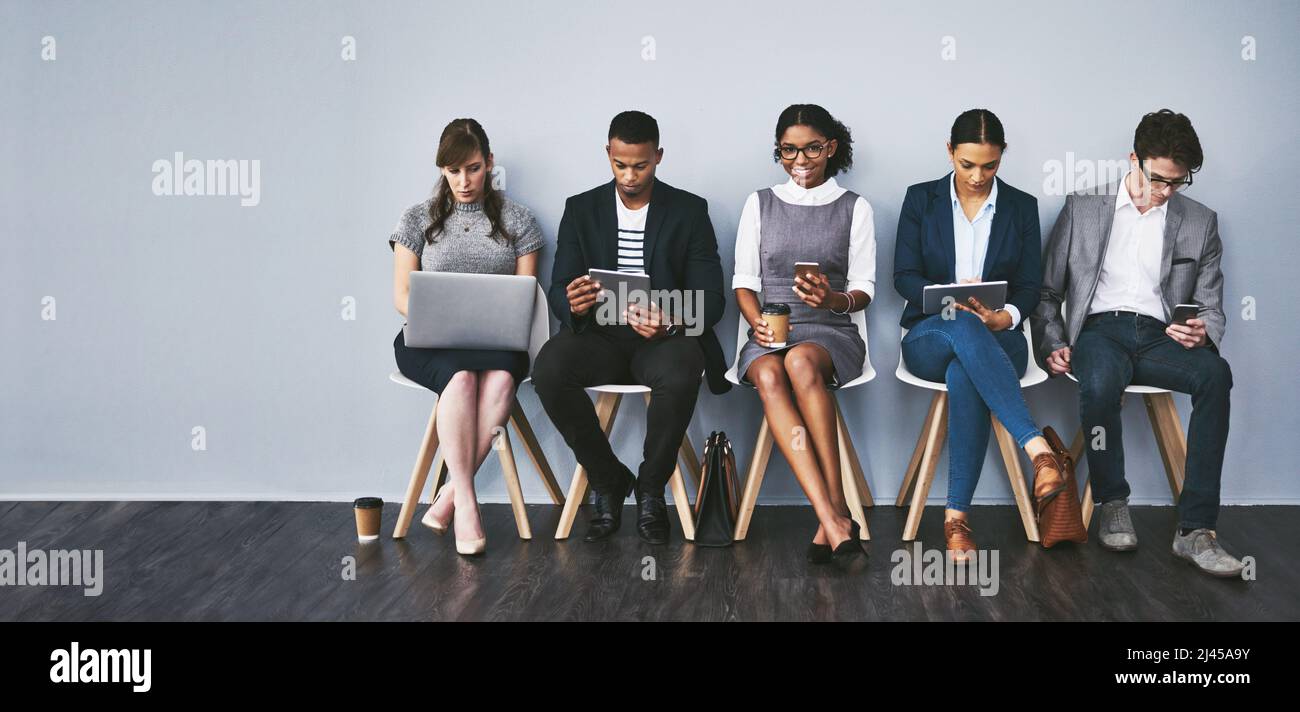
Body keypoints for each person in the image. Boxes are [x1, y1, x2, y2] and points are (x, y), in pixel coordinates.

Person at [1032, 109, 1245, 577]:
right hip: (1098, 330)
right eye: (1157, 179)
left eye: (1176, 183)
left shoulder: (1201, 222)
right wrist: (1050, 341)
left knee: (1216, 374)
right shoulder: (1083, 207)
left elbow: (1211, 304)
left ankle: (1196, 530)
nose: (1165, 191)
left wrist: (1202, 329)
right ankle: (1113, 501)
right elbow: (1047, 292)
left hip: (1158, 336)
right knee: (1102, 379)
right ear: (1133, 159)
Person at [531, 110, 730, 545]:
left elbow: (713, 300)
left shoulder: (689, 211)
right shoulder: (580, 209)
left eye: (640, 165)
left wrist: (670, 318)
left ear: (658, 156)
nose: (630, 175)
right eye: (620, 164)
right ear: (608, 154)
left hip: (660, 340)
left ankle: (652, 488)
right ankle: (607, 480)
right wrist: (573, 301)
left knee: (681, 371)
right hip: (598, 336)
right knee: (548, 369)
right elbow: (558, 287)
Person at [895, 109, 1065, 563]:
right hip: (929, 335)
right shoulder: (920, 199)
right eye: (967, 164)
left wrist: (1005, 316)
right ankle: (1039, 450)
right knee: (962, 329)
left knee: (966, 370)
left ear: (1002, 157)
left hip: (998, 337)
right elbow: (903, 276)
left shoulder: (1021, 206)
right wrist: (950, 304)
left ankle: (955, 519)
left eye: (989, 165)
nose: (977, 176)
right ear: (950, 152)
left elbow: (1030, 286)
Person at [389, 118, 544, 556]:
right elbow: (401, 295)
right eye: (453, 171)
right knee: (460, 380)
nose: (464, 181)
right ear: (442, 169)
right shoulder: (417, 218)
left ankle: (450, 497)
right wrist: (439, 312)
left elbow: (525, 296)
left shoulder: (519, 220)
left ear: (489, 163)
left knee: (496, 380)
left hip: (499, 342)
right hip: (431, 340)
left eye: (473, 168)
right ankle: (467, 503)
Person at [732, 104, 874, 564]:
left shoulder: (855, 207)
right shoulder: (760, 203)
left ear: (830, 148)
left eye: (811, 148)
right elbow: (744, 283)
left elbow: (864, 291)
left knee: (798, 362)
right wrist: (756, 322)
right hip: (768, 328)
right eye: (788, 150)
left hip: (830, 329)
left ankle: (831, 513)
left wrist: (831, 299)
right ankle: (834, 517)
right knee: (771, 376)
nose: (800, 159)